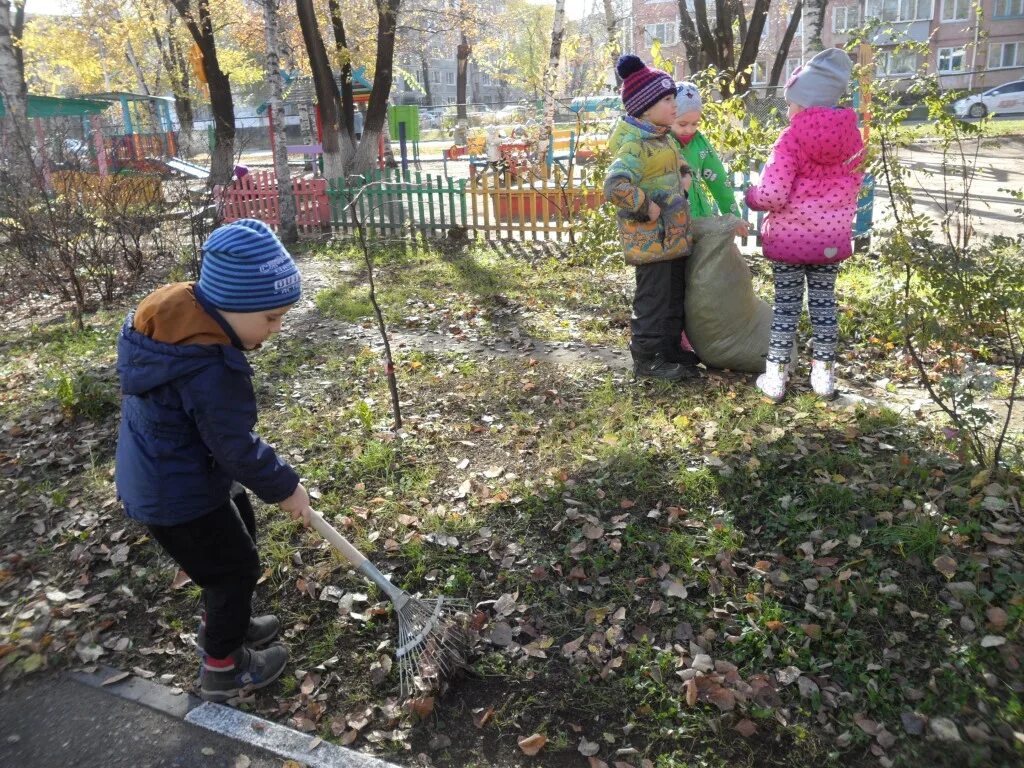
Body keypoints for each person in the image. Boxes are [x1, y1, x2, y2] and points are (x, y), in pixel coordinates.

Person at [114, 218, 313, 703]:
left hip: (178, 469)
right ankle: (224, 665)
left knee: (238, 531)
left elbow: (218, 441)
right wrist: (286, 487)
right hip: (175, 492)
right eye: (269, 318)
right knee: (232, 569)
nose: (277, 328)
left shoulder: (182, 324)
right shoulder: (208, 367)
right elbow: (235, 446)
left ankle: (230, 622)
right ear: (230, 306)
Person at [744, 48, 864, 401]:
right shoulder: (853, 138)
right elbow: (855, 184)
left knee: (786, 308)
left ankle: (776, 377)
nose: (787, 110)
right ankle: (823, 377)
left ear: (803, 103)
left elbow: (773, 194)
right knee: (825, 305)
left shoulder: (790, 139)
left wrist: (753, 196)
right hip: (829, 240)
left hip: (790, 241)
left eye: (790, 102)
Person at [604, 54, 696, 381]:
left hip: (672, 238)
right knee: (653, 300)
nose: (675, 105)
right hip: (650, 240)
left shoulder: (662, 138)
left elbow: (676, 162)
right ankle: (646, 360)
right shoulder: (635, 145)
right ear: (645, 106)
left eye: (674, 98)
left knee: (673, 296)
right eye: (668, 99)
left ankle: (669, 349)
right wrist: (647, 206)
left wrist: (684, 174)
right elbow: (615, 186)